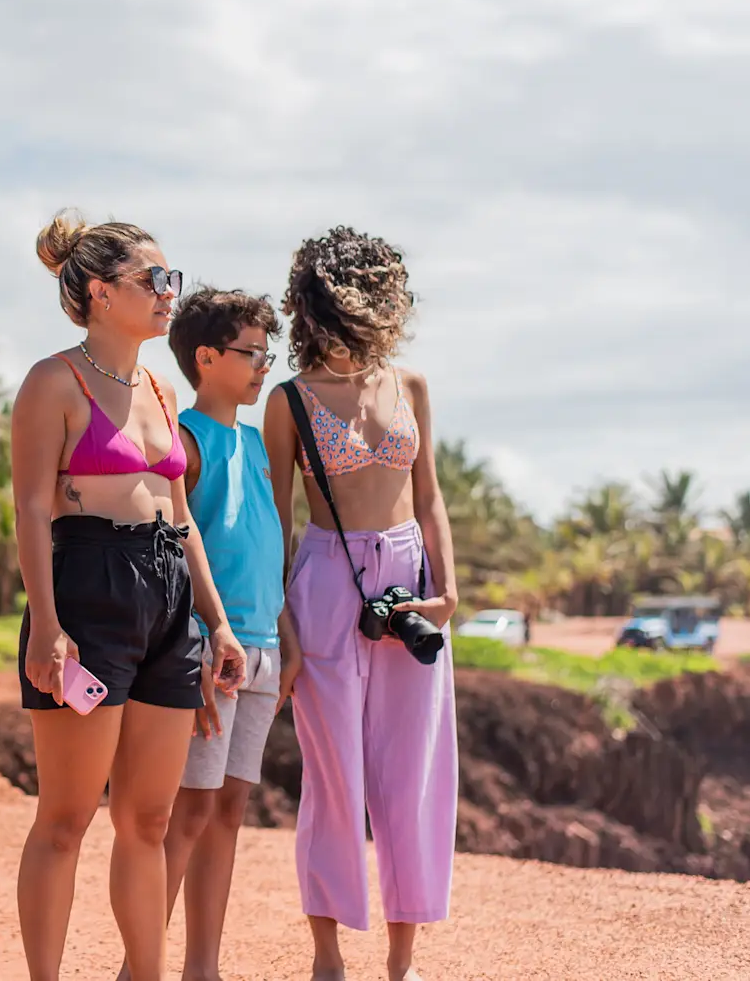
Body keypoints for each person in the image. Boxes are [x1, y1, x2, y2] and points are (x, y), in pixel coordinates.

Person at [12, 213, 248, 981]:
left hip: (168, 599)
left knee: (148, 818)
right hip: (89, 590)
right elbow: (31, 509)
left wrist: (216, 622)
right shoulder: (53, 381)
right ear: (100, 292)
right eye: (156, 280)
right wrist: (47, 626)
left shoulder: (158, 384)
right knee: (66, 819)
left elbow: (182, 521)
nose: (169, 293)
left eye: (171, 278)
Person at [261, 227, 458, 981]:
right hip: (324, 581)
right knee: (334, 772)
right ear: (318, 305)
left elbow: (431, 495)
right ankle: (327, 956)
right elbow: (279, 524)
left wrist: (449, 589)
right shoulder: (289, 401)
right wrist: (279, 619)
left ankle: (402, 962)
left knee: (414, 772)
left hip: (410, 579)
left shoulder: (411, 386)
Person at [118, 287, 300, 981]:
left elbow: (267, 549)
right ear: (206, 357)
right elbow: (174, 549)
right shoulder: (184, 439)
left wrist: (286, 638)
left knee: (228, 813)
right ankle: (143, 968)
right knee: (184, 818)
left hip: (263, 649)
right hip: (209, 653)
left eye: (266, 353)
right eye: (251, 353)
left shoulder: (255, 443)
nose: (263, 367)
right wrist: (192, 642)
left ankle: (203, 968)